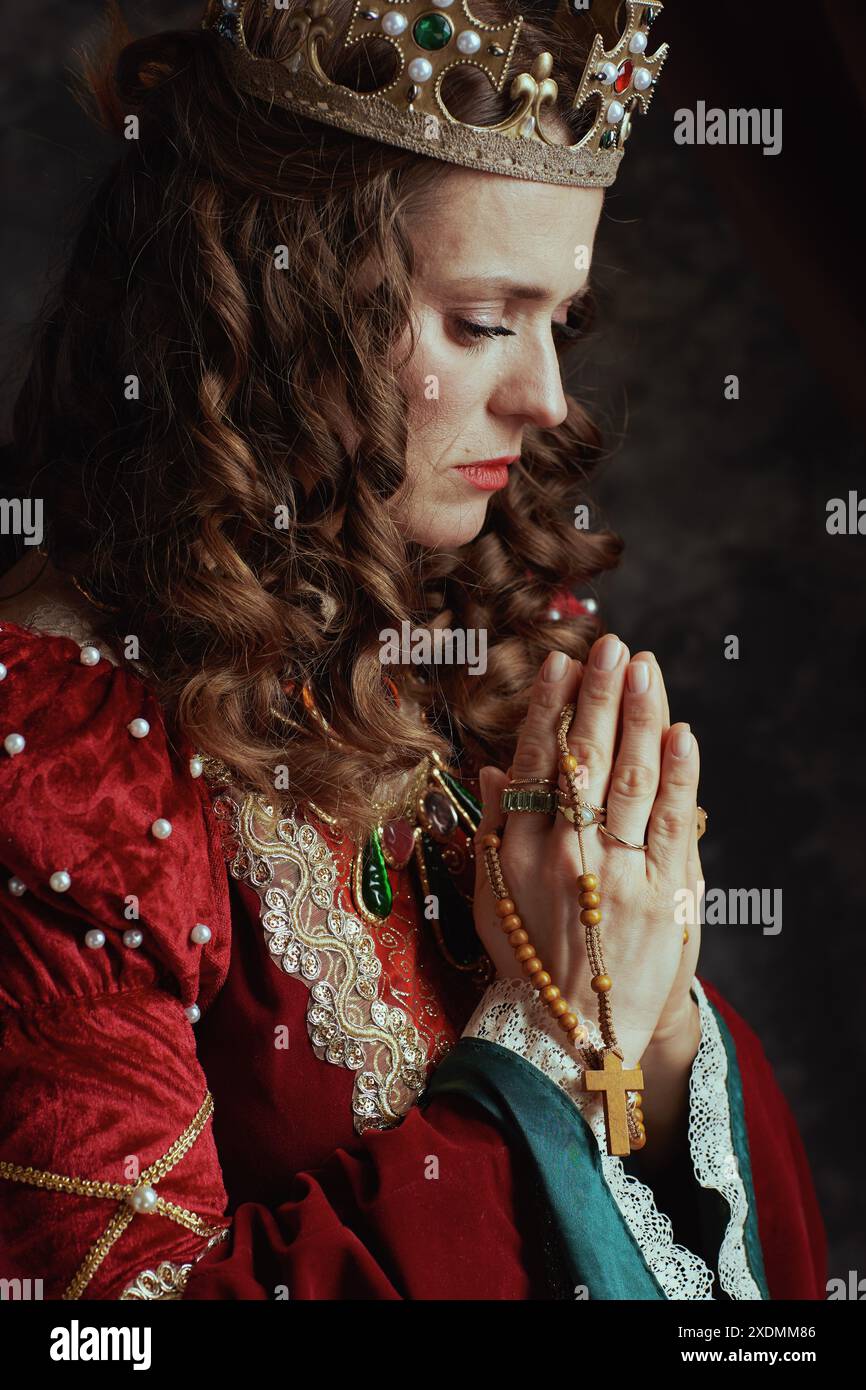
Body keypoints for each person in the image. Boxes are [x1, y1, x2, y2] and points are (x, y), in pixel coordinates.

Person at [0, 0, 825, 1300]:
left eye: (559, 319)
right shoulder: (61, 760)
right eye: (484, 320)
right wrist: (547, 1053)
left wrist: (651, 1026)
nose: (545, 395)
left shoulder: (474, 630)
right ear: (284, 306)